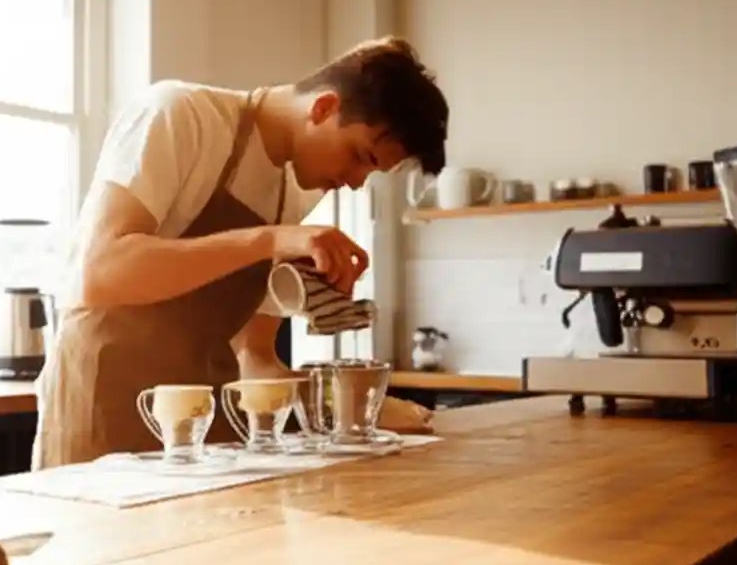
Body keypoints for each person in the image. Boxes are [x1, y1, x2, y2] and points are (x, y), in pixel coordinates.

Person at [31, 36, 449, 470]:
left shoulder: (292, 193)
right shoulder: (179, 115)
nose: (357, 182)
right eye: (361, 157)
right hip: (104, 419)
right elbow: (100, 273)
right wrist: (269, 240)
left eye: (373, 171)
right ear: (324, 108)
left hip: (201, 445)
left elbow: (255, 360)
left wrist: (353, 409)